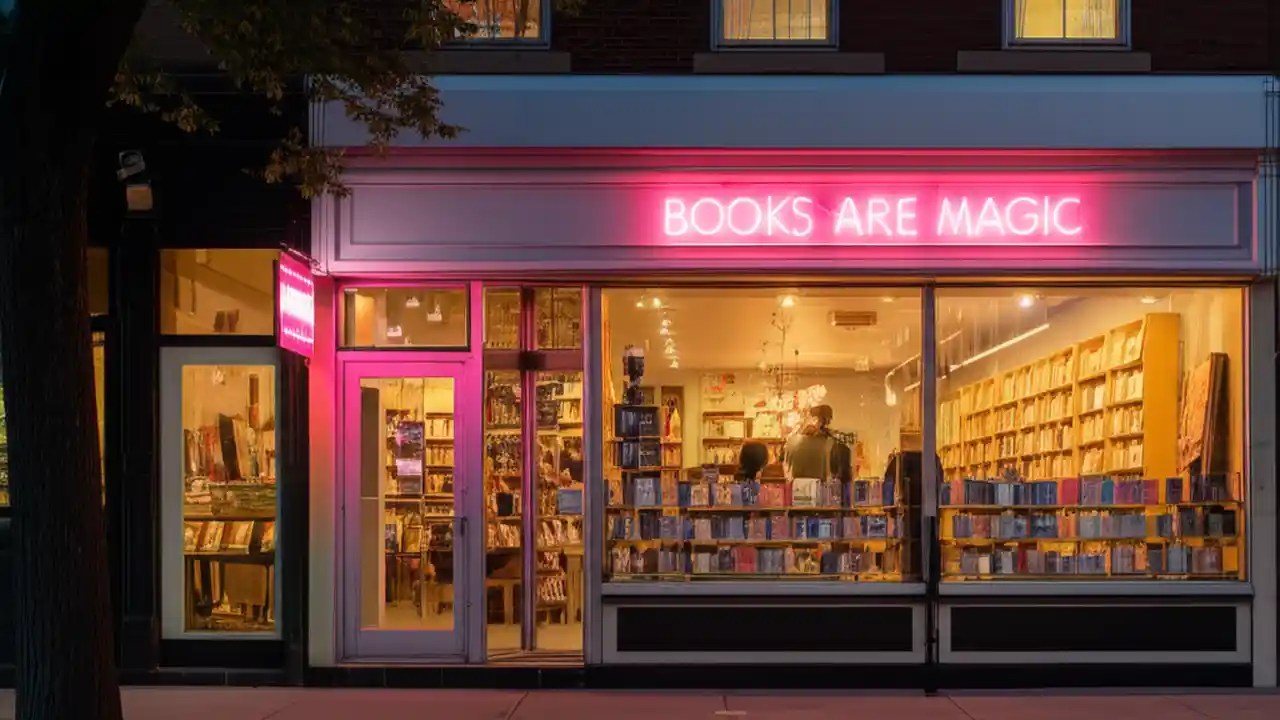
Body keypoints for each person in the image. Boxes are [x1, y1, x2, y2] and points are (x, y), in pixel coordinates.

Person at [784, 405, 853, 484]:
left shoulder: (792, 442)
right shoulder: (833, 446)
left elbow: (786, 472)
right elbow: (844, 481)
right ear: (827, 421)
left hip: (795, 491)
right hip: (822, 492)